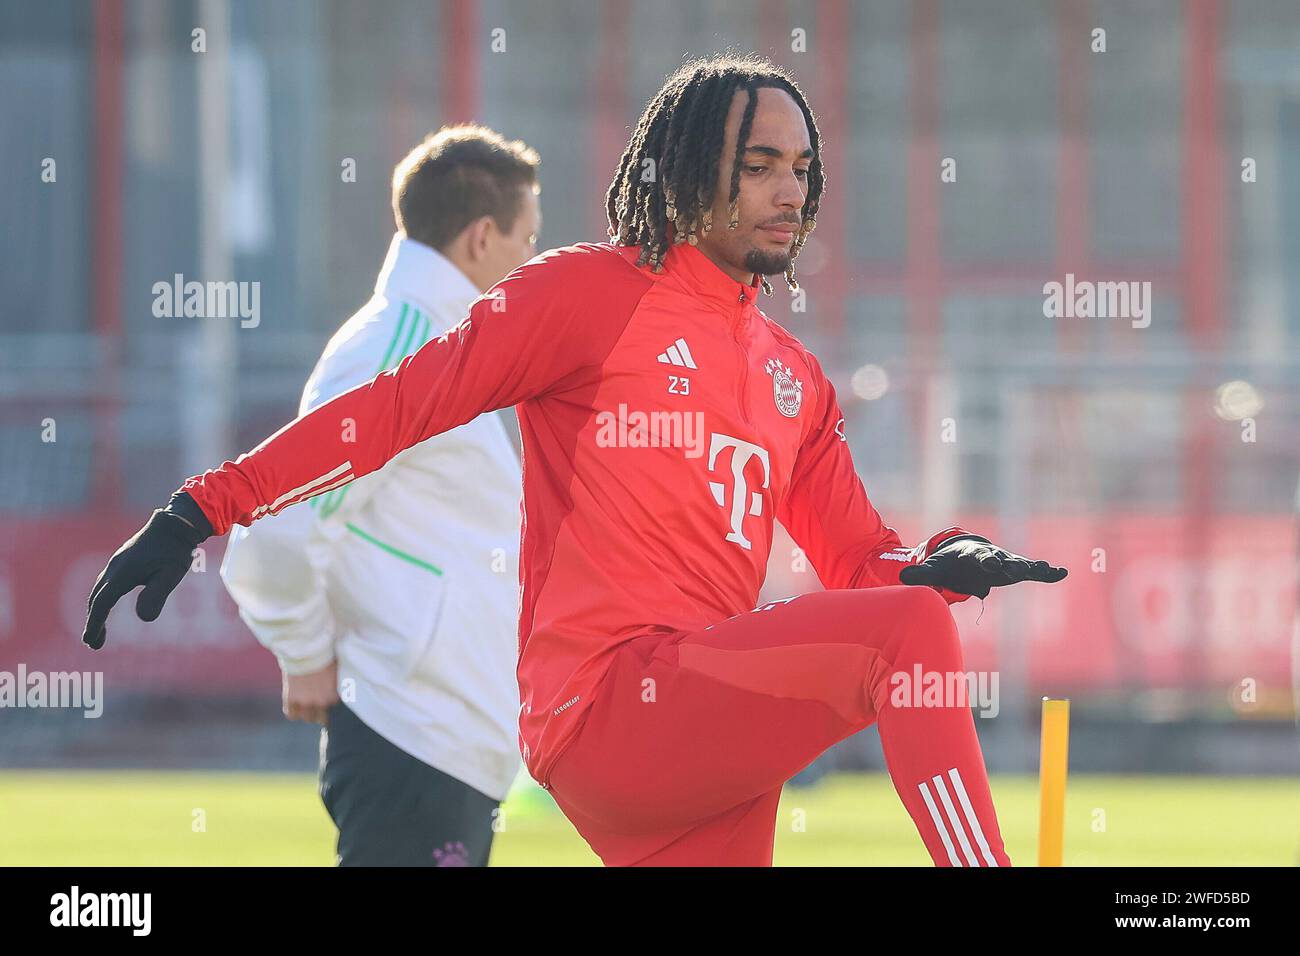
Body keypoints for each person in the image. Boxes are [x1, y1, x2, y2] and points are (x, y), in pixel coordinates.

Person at [82, 54, 1065, 867]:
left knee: (909, 611)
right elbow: (386, 410)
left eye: (801, 168)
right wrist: (202, 508)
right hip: (603, 708)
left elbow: (864, 563)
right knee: (905, 636)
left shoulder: (792, 377)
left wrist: (930, 565)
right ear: (683, 169)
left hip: (700, 726)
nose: (788, 189)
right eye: (758, 163)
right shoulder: (586, 295)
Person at [223, 124, 541, 866]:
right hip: (412, 733)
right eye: (528, 239)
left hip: (449, 737)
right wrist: (302, 652)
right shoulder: (398, 348)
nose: (533, 260)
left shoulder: (441, 345)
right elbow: (280, 521)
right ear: (481, 238)